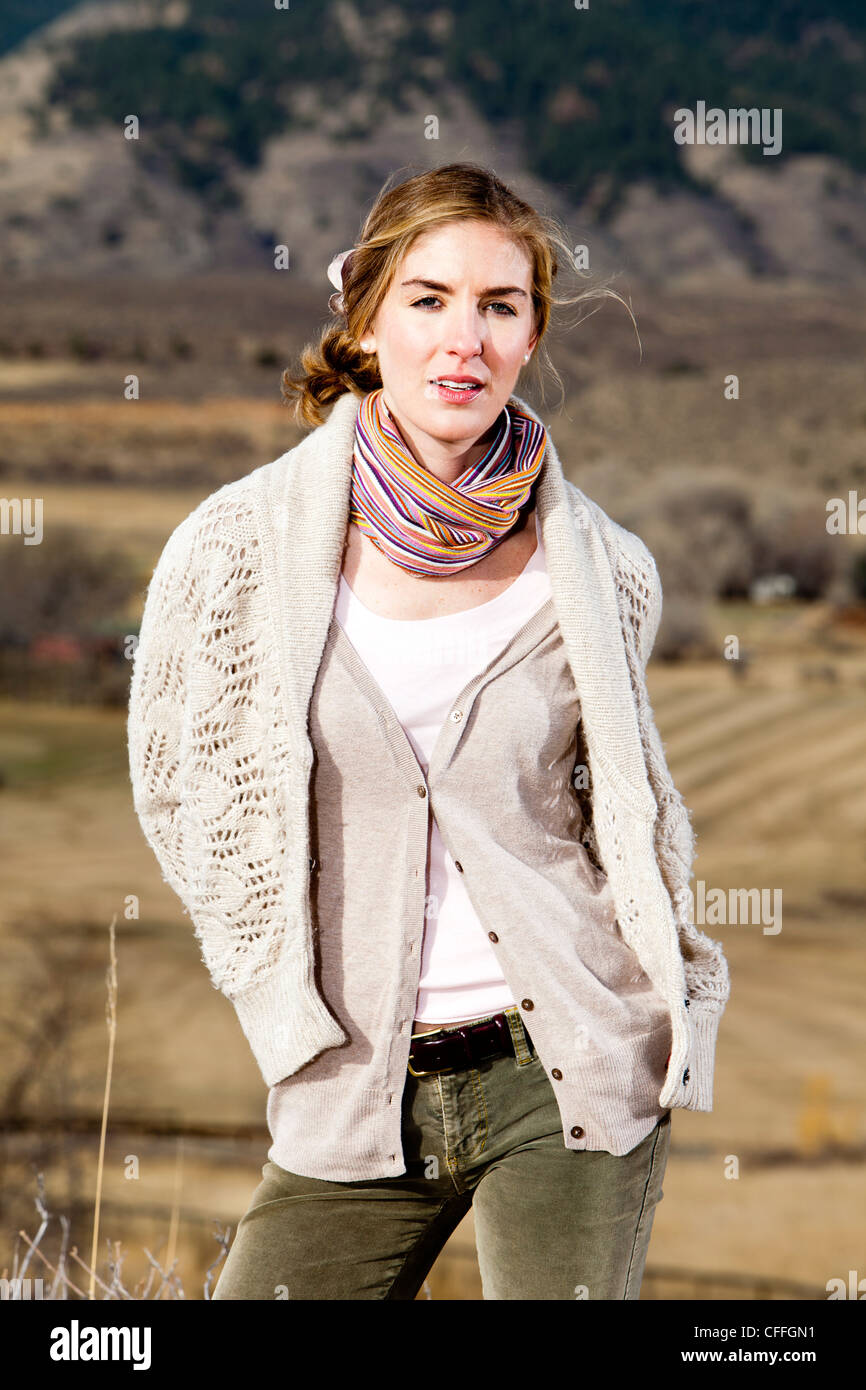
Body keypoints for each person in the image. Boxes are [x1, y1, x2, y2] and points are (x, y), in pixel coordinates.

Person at [128, 162, 730, 1300]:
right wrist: (275, 993)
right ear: (366, 318)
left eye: (499, 306)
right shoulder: (233, 552)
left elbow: (625, 813)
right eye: (428, 298)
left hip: (566, 1074)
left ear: (530, 331)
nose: (464, 338)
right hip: (351, 1078)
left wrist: (656, 991)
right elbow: (178, 788)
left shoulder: (602, 573)